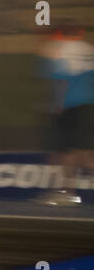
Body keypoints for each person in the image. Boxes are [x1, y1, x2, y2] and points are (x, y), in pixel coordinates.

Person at [37, 22, 94, 205]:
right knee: (79, 152)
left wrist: (57, 105)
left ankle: (66, 192)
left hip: (69, 106)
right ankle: (64, 190)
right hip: (86, 105)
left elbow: (60, 79)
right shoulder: (88, 49)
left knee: (69, 152)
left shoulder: (61, 49)